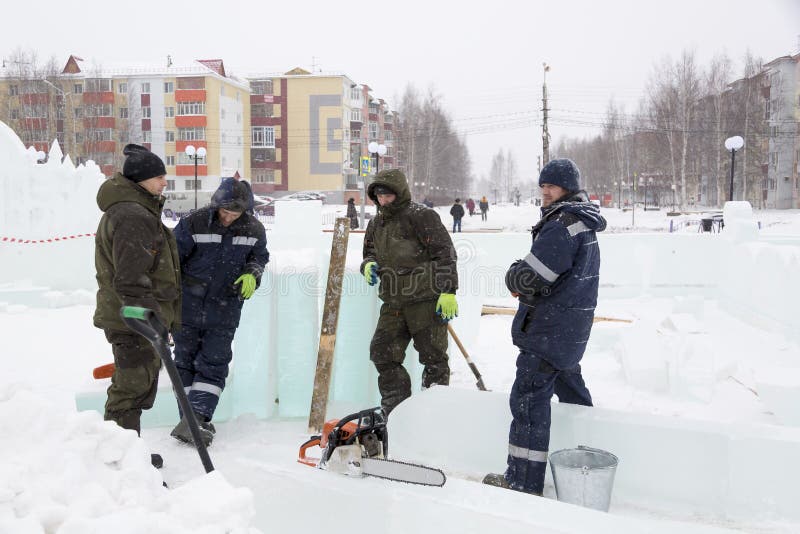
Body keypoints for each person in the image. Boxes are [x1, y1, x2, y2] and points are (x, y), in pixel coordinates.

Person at [483, 158, 607, 495]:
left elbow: (531, 276)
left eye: (551, 186)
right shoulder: (584, 223)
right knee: (574, 401)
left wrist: (513, 274)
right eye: (542, 186)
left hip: (547, 333)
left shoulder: (562, 226)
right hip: (568, 332)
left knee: (527, 406)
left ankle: (522, 481)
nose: (545, 192)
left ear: (568, 187)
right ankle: (588, 466)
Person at [94, 144, 180, 467]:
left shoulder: (134, 210)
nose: (164, 183)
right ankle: (119, 462)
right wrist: (151, 320)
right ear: (141, 180)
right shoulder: (132, 215)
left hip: (132, 317)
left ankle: (128, 453)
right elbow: (131, 280)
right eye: (159, 177)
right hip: (132, 319)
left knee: (137, 386)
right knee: (131, 387)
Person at [170, 178, 269, 446]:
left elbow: (259, 257)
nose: (228, 217)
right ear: (216, 205)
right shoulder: (194, 222)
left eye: (234, 213)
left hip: (225, 308)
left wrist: (253, 274)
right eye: (224, 211)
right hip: (187, 307)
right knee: (184, 363)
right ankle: (190, 421)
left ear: (245, 211)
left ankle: (197, 419)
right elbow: (171, 261)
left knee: (214, 364)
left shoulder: (254, 229)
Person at [361, 169, 459, 416]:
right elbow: (370, 253)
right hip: (393, 302)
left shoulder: (422, 216)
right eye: (379, 196)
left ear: (400, 192)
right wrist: (368, 265)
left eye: (388, 195)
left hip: (424, 300)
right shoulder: (376, 223)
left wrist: (448, 291)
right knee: (382, 353)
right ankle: (397, 411)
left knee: (434, 359)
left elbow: (445, 254)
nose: (383, 200)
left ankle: (432, 414)